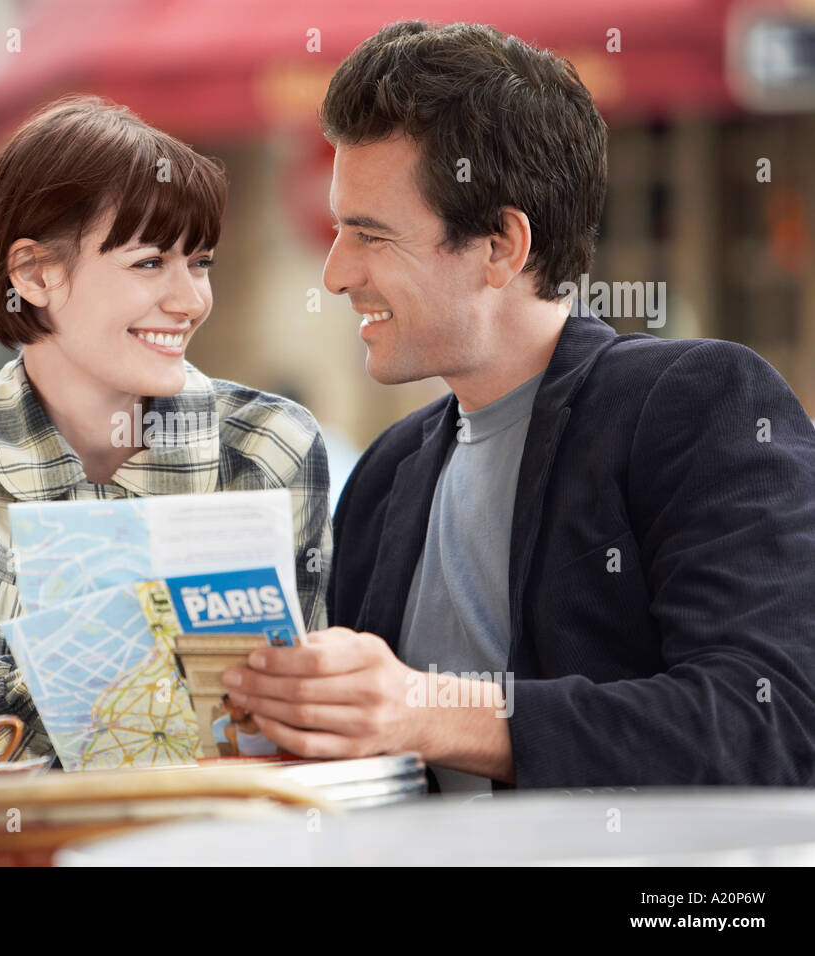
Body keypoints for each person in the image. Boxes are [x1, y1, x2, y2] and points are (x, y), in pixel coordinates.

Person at [219, 21, 815, 789]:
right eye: (338, 230)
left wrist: (428, 709)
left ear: (502, 246)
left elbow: (777, 718)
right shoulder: (386, 476)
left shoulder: (695, 406)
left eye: (370, 235)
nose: (334, 274)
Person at [0, 96, 332, 767]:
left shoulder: (271, 447)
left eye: (199, 262)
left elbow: (307, 742)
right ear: (33, 274)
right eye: (150, 263)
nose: (191, 299)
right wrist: (118, 635)